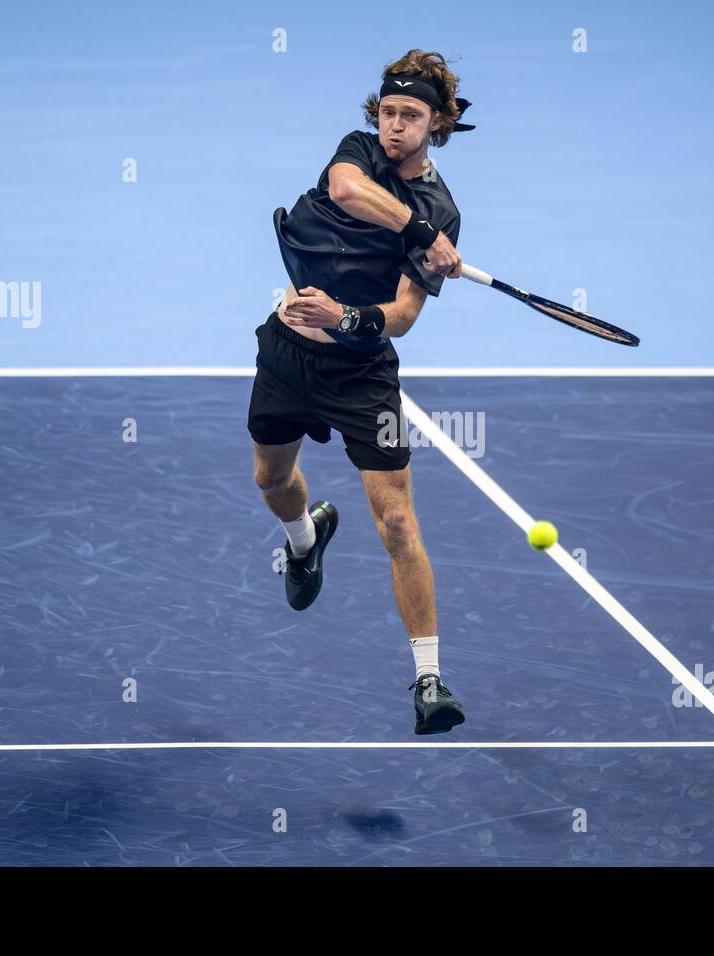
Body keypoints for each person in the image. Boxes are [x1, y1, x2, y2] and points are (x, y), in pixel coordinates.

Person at [247, 49, 475, 735]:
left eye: (410, 116)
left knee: (398, 520)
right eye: (388, 113)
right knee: (270, 477)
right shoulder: (358, 157)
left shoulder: (443, 208)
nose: (394, 127)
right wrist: (420, 232)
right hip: (287, 353)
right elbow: (346, 191)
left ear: (436, 125)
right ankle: (304, 537)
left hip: (362, 374)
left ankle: (429, 679)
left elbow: (403, 314)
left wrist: (345, 319)